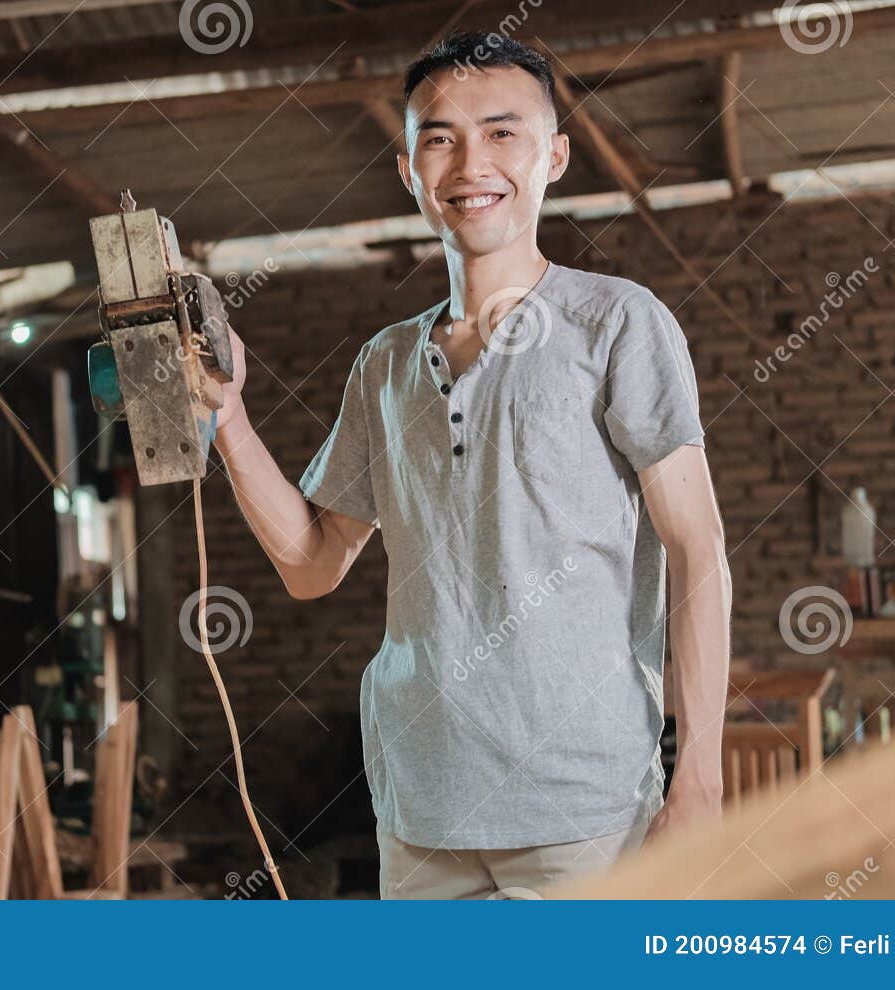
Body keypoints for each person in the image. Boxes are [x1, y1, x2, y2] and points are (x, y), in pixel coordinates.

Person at [211, 31, 732, 899]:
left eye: (502, 132)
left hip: (585, 808)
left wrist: (701, 775)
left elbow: (698, 552)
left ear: (554, 156)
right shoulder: (383, 364)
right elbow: (312, 564)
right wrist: (227, 415)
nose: (469, 162)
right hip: (421, 809)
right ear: (410, 171)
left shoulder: (617, 325)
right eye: (439, 137)